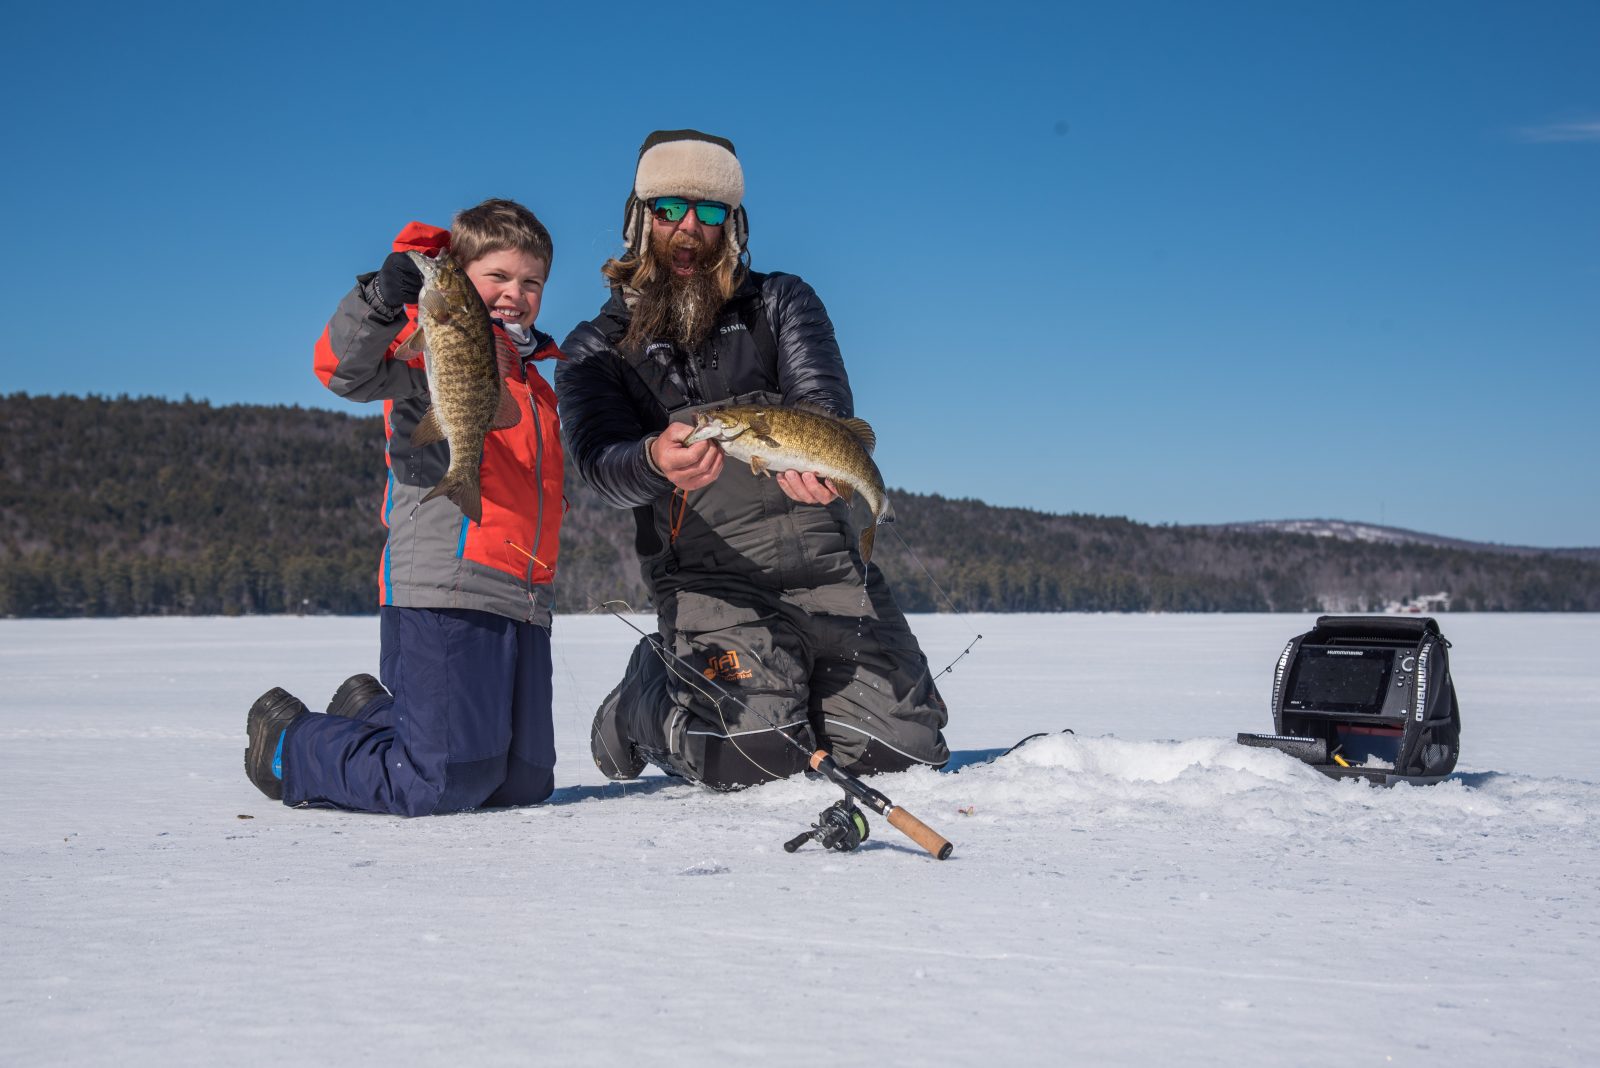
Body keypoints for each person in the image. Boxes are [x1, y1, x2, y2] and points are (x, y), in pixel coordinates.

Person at [556, 130, 950, 790]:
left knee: (901, 757)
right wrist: (652, 459)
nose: (688, 229)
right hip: (713, 586)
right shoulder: (596, 348)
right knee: (752, 758)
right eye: (668, 209)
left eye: (709, 213)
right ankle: (640, 702)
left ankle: (813, 705)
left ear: (732, 224)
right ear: (638, 219)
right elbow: (601, 463)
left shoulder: (782, 302)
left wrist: (824, 471)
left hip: (830, 574)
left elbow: (822, 405)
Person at [243, 198, 565, 815]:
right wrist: (382, 299)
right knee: (440, 783)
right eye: (497, 277)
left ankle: (374, 714)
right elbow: (345, 372)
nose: (514, 294)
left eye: (532, 283)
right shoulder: (429, 347)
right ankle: (290, 743)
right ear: (458, 276)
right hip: (442, 579)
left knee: (521, 784)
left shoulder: (536, 381)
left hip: (524, 594)